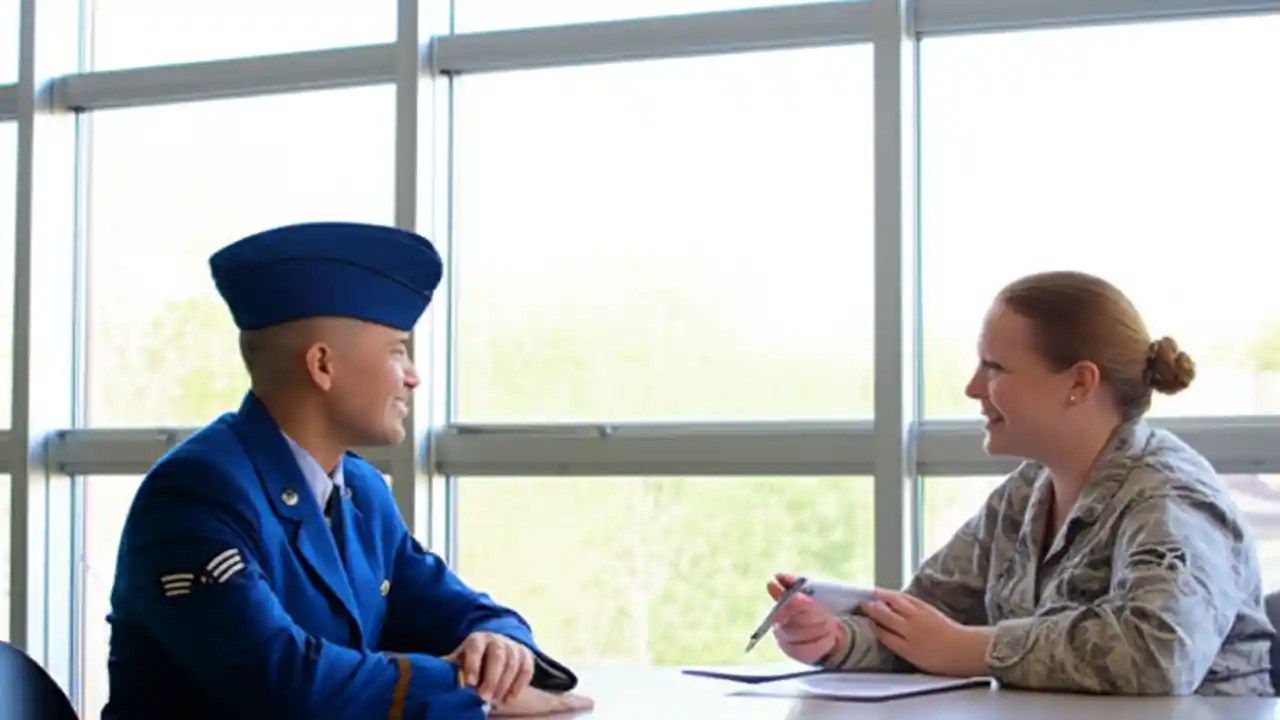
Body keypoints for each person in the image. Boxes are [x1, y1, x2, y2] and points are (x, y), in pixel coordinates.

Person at [103, 222, 594, 719]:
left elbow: (450, 606)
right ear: (322, 365)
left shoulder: (358, 489)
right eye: (397, 349)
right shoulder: (196, 494)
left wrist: (500, 648)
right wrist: (472, 694)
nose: (412, 376)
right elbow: (285, 682)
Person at [766, 270, 1275, 696]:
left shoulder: (1171, 498)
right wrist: (834, 638)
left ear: (1079, 383)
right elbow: (925, 624)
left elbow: (1160, 652)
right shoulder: (1025, 494)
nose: (971, 388)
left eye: (994, 367)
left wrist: (971, 648)